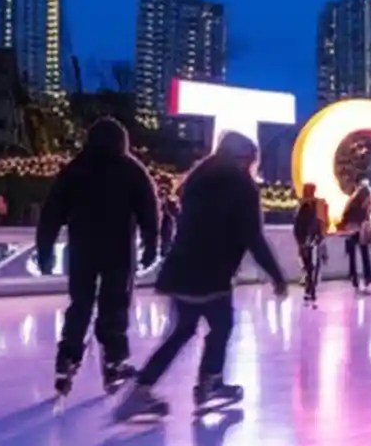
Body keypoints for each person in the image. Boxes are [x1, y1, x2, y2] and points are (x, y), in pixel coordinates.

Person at [113, 132, 286, 421]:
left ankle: (144, 390)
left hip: (183, 267)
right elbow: (252, 236)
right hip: (212, 272)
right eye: (251, 160)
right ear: (244, 158)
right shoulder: (241, 185)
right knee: (219, 325)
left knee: (185, 330)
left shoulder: (199, 178)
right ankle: (208, 381)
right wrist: (277, 275)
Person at [36, 118, 160, 396]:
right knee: (114, 303)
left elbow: (52, 211)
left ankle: (67, 356)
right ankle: (115, 360)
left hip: (83, 248)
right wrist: (152, 244)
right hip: (117, 249)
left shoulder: (75, 169)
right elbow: (149, 209)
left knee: (80, 303)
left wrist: (45, 250)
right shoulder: (131, 169)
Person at [293, 183, 328, 304]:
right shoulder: (307, 204)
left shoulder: (311, 205)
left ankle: (310, 289)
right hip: (310, 239)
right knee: (310, 265)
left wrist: (306, 239)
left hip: (310, 239)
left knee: (310, 265)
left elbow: (313, 223)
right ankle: (310, 289)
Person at [341, 182, 371, 295]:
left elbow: (346, 216)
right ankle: (366, 279)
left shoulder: (353, 199)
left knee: (355, 256)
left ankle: (355, 278)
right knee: (364, 254)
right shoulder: (367, 195)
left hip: (353, 229)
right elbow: (368, 213)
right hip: (360, 228)